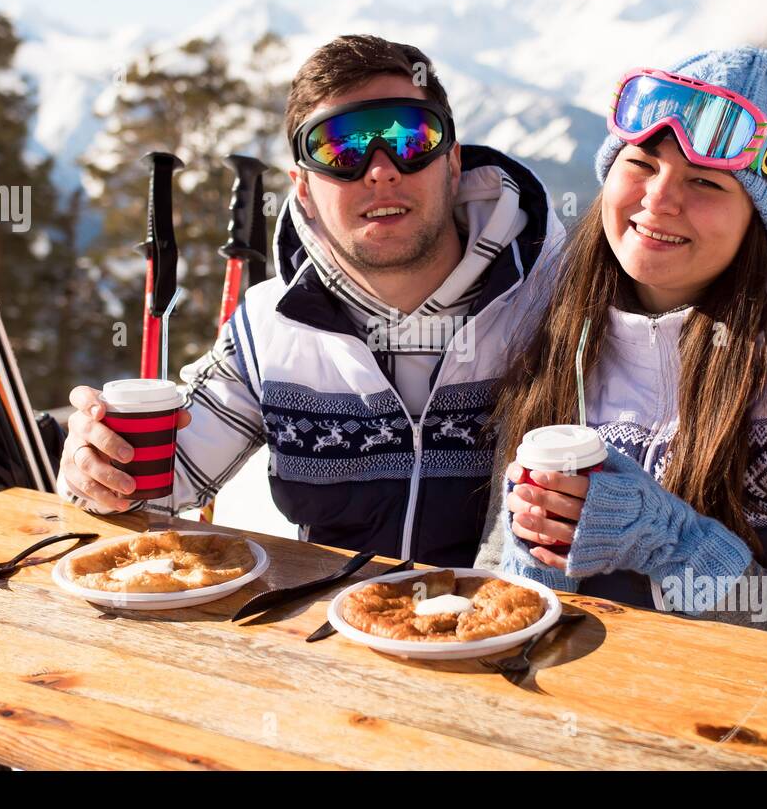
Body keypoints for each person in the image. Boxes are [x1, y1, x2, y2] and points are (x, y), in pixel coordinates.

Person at [478, 16, 767, 658]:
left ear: (759, 218)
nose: (660, 200)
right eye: (641, 162)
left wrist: (672, 543)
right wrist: (530, 560)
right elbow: (499, 571)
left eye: (705, 182)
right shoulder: (554, 341)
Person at [58, 34, 563, 565]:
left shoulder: (555, 308)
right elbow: (160, 482)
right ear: (302, 186)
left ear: (453, 162)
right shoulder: (269, 329)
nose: (381, 169)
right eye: (340, 149)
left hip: (511, 628)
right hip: (332, 632)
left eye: (411, 139)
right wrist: (98, 469)